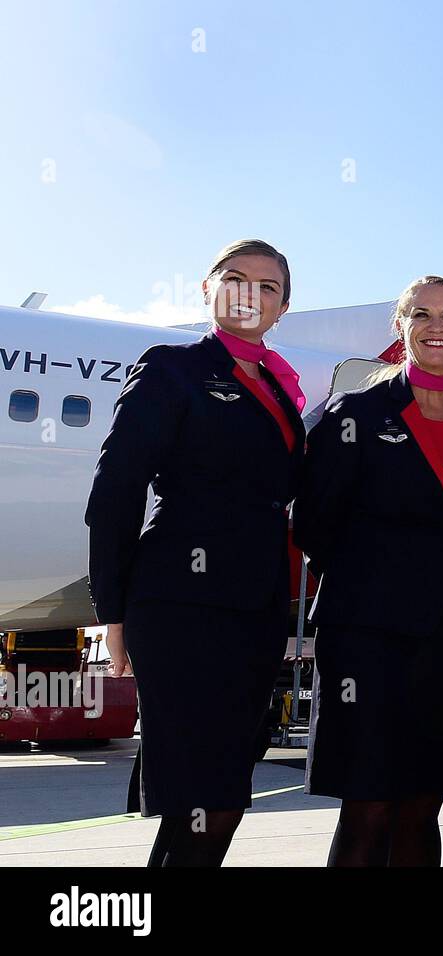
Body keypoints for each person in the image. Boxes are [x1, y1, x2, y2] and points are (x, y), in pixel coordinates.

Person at [85, 238, 305, 866]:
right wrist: (113, 612)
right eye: (235, 279)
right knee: (202, 794)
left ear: (282, 307)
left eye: (268, 287)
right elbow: (116, 492)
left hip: (254, 609)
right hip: (182, 604)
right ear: (206, 291)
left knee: (221, 795)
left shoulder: (277, 386)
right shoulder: (171, 369)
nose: (250, 295)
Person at [291, 275, 443, 866]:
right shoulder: (356, 411)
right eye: (422, 314)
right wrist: (380, 579)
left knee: (423, 806)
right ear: (400, 327)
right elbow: (314, 524)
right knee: (369, 806)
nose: (437, 327)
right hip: (369, 637)